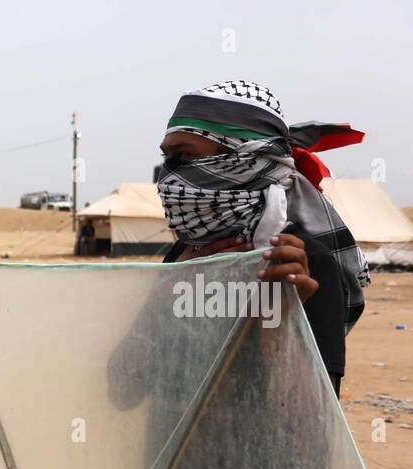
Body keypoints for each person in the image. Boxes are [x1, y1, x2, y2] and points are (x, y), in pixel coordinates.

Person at [155, 80, 369, 396]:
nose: (169, 173)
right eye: (167, 157)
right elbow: (123, 392)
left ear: (245, 159)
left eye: (184, 156)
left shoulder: (301, 263)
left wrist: (280, 322)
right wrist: (161, 295)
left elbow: (314, 426)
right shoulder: (185, 256)